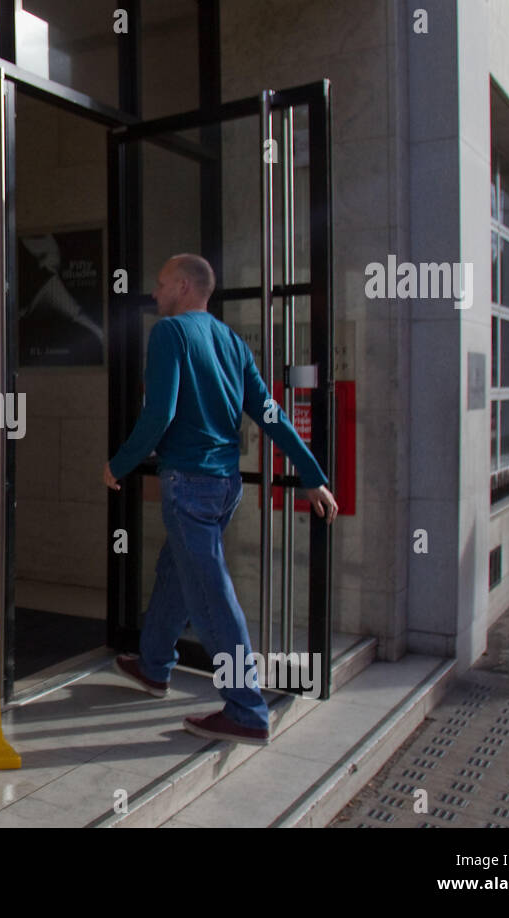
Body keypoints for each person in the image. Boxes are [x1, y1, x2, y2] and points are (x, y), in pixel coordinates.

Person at [103, 253, 338, 746]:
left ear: (185, 286)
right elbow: (269, 412)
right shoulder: (230, 341)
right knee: (177, 571)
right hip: (224, 485)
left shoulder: (170, 334)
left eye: (162, 282)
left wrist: (119, 464)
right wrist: (311, 474)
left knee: (212, 596)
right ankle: (153, 666)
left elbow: (158, 413)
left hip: (189, 485)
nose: (155, 291)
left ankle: (246, 709)